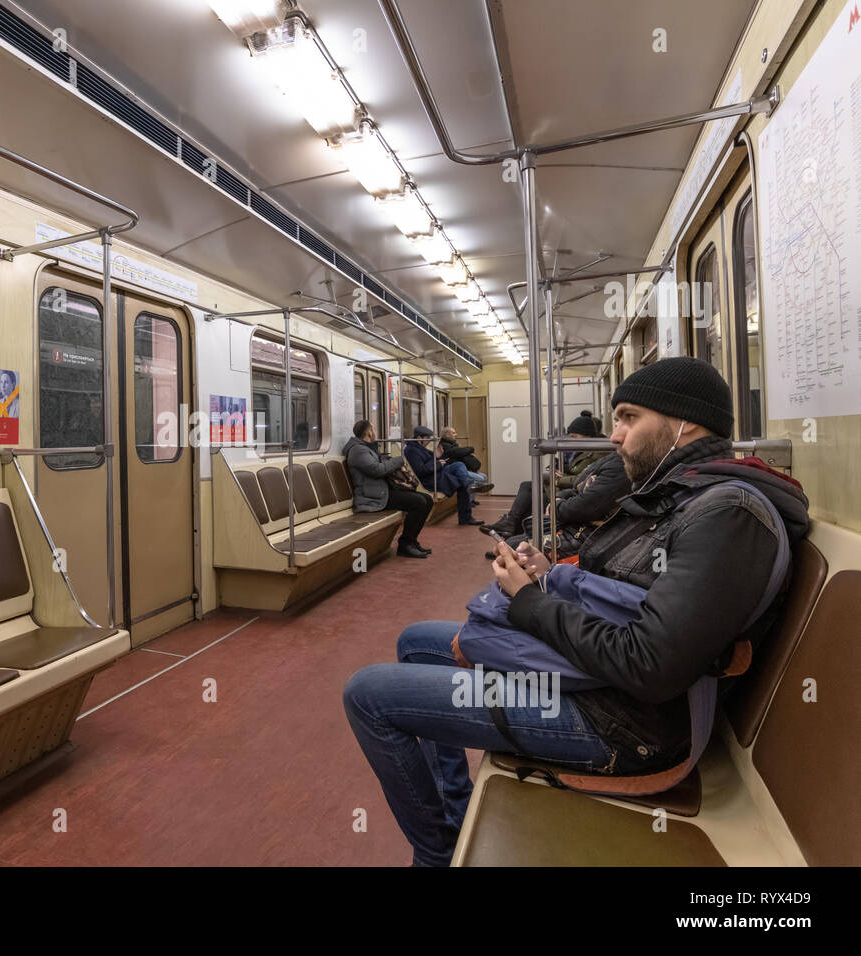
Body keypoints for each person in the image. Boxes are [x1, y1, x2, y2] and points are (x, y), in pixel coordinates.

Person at [343, 357, 809, 865]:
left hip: (621, 723)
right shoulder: (682, 495)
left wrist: (530, 601)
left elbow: (650, 665)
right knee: (415, 641)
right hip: (595, 680)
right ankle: (453, 811)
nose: (615, 435)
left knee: (368, 694)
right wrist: (547, 574)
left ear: (686, 423)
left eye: (629, 418)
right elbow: (625, 597)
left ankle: (435, 853)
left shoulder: (727, 516)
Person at [488, 449, 631, 559]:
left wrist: (557, 494)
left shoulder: (615, 464)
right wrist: (558, 497)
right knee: (529, 492)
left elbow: (583, 504)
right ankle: (511, 524)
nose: (615, 436)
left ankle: (510, 523)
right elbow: (578, 483)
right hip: (573, 508)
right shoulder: (606, 458)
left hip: (584, 531)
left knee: (530, 491)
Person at [480, 412, 603, 537]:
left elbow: (581, 477)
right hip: (569, 489)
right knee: (531, 491)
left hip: (572, 493)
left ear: (587, 435)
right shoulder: (585, 451)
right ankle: (511, 529)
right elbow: (577, 472)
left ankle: (511, 528)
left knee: (531, 494)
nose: (571, 440)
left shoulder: (597, 453)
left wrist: (558, 480)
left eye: (574, 436)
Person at [342, 420, 433, 559]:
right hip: (372, 497)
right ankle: (405, 545)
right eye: (374, 429)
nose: (376, 432)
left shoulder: (367, 448)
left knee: (427, 499)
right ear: (369, 432)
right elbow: (376, 470)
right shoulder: (358, 450)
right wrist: (398, 460)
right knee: (418, 502)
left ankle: (412, 541)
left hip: (381, 491)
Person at [403, 426, 483, 526]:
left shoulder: (419, 448)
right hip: (431, 480)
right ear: (420, 438)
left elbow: (428, 462)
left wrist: (437, 457)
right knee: (462, 484)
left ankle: (468, 487)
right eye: (427, 438)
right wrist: (438, 463)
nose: (429, 440)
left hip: (437, 474)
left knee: (459, 465)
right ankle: (465, 516)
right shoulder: (412, 451)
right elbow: (420, 471)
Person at [438, 427, 492, 492]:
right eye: (453, 433)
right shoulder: (443, 445)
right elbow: (457, 452)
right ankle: (474, 486)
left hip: (461, 466)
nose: (456, 434)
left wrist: (468, 454)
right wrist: (470, 449)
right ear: (447, 435)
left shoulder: (453, 444)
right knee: (481, 478)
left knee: (484, 476)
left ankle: (475, 490)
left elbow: (459, 452)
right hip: (453, 468)